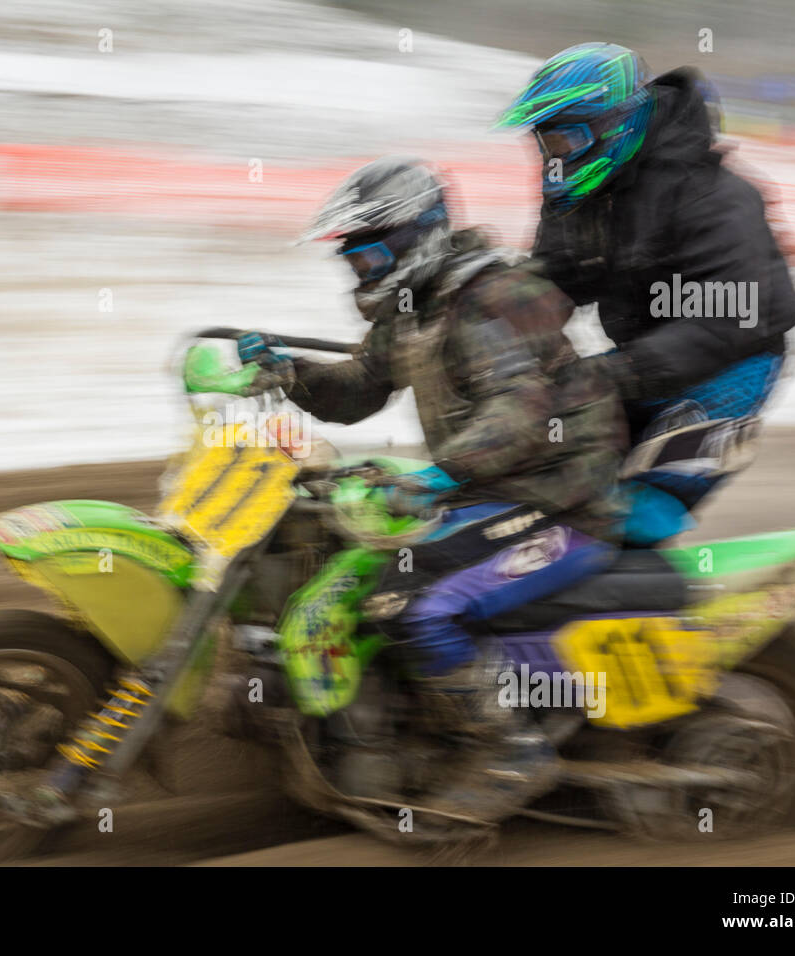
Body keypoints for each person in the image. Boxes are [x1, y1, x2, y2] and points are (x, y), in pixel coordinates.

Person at [238, 156, 628, 817]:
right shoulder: (412, 309)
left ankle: (510, 751)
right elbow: (361, 387)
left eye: (366, 254)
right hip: (490, 495)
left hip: (561, 504)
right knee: (336, 555)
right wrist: (291, 373)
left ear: (414, 236)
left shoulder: (494, 299)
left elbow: (519, 410)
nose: (358, 269)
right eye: (351, 259)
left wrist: (437, 475)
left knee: (410, 603)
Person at [495, 42, 795, 544]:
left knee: (636, 511)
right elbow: (550, 281)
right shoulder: (574, 194)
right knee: (537, 471)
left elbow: (732, 313)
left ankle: (651, 602)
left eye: (564, 139)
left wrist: (615, 372)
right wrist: (485, 320)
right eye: (544, 141)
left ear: (613, 125)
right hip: (639, 357)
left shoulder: (714, 195)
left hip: (734, 364)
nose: (553, 156)